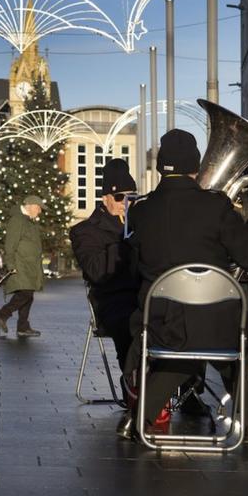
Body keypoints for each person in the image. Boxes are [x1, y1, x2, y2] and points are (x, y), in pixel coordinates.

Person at [119, 129, 248, 443]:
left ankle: (134, 418)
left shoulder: (140, 211)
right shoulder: (217, 208)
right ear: (196, 166)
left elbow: (131, 270)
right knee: (230, 338)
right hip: (218, 325)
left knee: (187, 346)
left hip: (160, 323)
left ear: (160, 166)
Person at [70, 159, 140, 377]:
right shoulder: (85, 231)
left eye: (133, 198)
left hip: (145, 296)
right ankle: (134, 386)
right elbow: (96, 270)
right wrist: (126, 241)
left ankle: (188, 393)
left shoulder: (143, 223)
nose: (126, 203)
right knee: (129, 323)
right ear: (105, 198)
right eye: (120, 198)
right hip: (112, 299)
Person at [0, 196, 45, 338]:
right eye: (38, 207)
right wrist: (10, 264)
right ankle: (2, 314)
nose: (40, 211)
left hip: (29, 265)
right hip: (20, 264)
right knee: (25, 294)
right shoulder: (18, 220)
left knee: (28, 295)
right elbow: (10, 244)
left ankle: (23, 326)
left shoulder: (29, 221)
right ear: (30, 205)